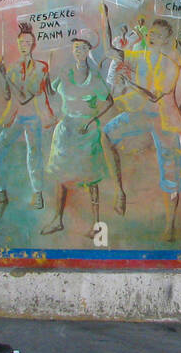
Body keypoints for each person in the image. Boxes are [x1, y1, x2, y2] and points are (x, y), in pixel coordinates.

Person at [102, 7, 181, 241]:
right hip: (141, 114)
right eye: (151, 33)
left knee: (171, 174)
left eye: (157, 33)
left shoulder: (174, 60)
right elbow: (110, 51)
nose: (151, 36)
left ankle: (170, 226)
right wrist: (104, 16)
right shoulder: (140, 56)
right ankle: (119, 192)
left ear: (168, 38)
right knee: (106, 136)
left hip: (164, 121)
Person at [40, 31, 125, 236]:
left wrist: (89, 121)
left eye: (83, 48)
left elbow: (109, 101)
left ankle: (96, 224)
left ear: (89, 51)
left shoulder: (94, 77)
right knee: (62, 176)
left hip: (87, 132)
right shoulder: (64, 73)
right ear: (72, 50)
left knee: (91, 179)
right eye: (76, 47)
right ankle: (57, 219)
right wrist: (47, 74)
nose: (79, 51)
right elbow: (51, 93)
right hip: (66, 130)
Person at [0, 21, 52, 218]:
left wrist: (7, 76)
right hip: (16, 118)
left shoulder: (41, 67)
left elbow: (26, 96)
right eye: (21, 42)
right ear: (18, 44)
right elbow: (8, 96)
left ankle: (37, 194)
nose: (24, 45)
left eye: (28, 41)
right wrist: (2, 74)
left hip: (34, 117)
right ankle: (1, 196)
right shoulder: (13, 68)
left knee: (33, 156)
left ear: (33, 44)